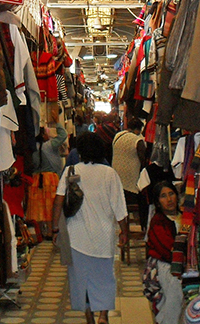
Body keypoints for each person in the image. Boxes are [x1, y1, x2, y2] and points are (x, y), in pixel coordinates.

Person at [53, 132, 128, 324]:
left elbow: (59, 201)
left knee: (82, 278)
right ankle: (103, 315)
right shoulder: (110, 174)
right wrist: (124, 232)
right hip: (104, 236)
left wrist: (55, 229)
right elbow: (119, 206)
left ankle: (89, 315)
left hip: (77, 237)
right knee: (104, 277)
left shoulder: (71, 171)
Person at [143, 181, 183, 324]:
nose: (169, 199)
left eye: (171, 194)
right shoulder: (158, 222)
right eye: (163, 196)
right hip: (167, 267)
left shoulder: (185, 217)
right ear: (158, 202)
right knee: (173, 303)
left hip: (184, 266)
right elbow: (167, 250)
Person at [26, 121, 68, 237]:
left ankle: (39, 233)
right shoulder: (50, 145)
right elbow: (63, 135)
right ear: (44, 135)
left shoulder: (34, 148)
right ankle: (50, 232)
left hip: (36, 180)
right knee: (50, 207)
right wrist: (57, 123)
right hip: (50, 179)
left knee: (38, 207)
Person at [111, 117, 148, 229]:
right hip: (131, 185)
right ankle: (144, 225)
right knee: (144, 197)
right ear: (138, 129)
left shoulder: (118, 136)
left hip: (116, 180)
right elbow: (143, 160)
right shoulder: (137, 140)